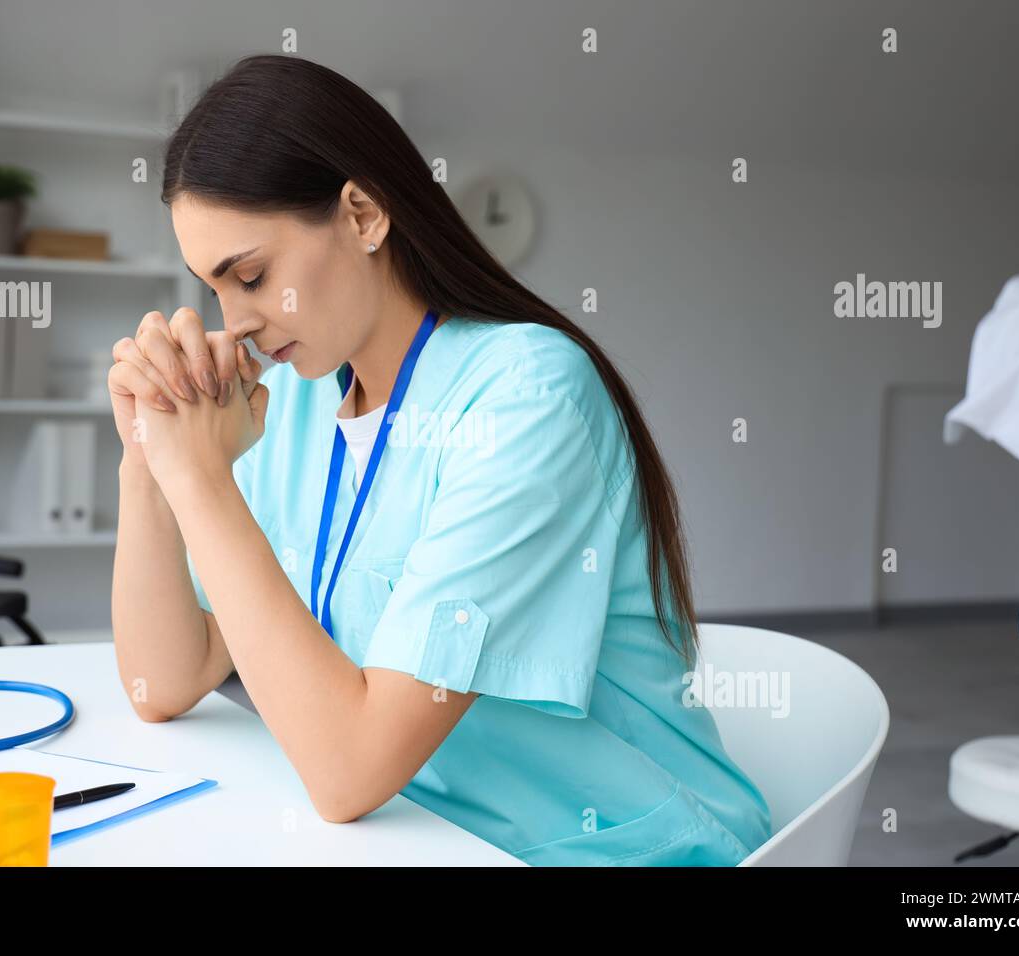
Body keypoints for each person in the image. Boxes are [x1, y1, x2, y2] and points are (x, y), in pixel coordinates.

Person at [108, 54, 771, 866]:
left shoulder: (527, 397)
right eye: (215, 288)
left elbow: (347, 770)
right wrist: (152, 450)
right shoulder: (303, 402)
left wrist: (202, 481)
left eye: (250, 274)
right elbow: (164, 682)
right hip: (417, 839)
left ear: (361, 214)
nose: (234, 320)